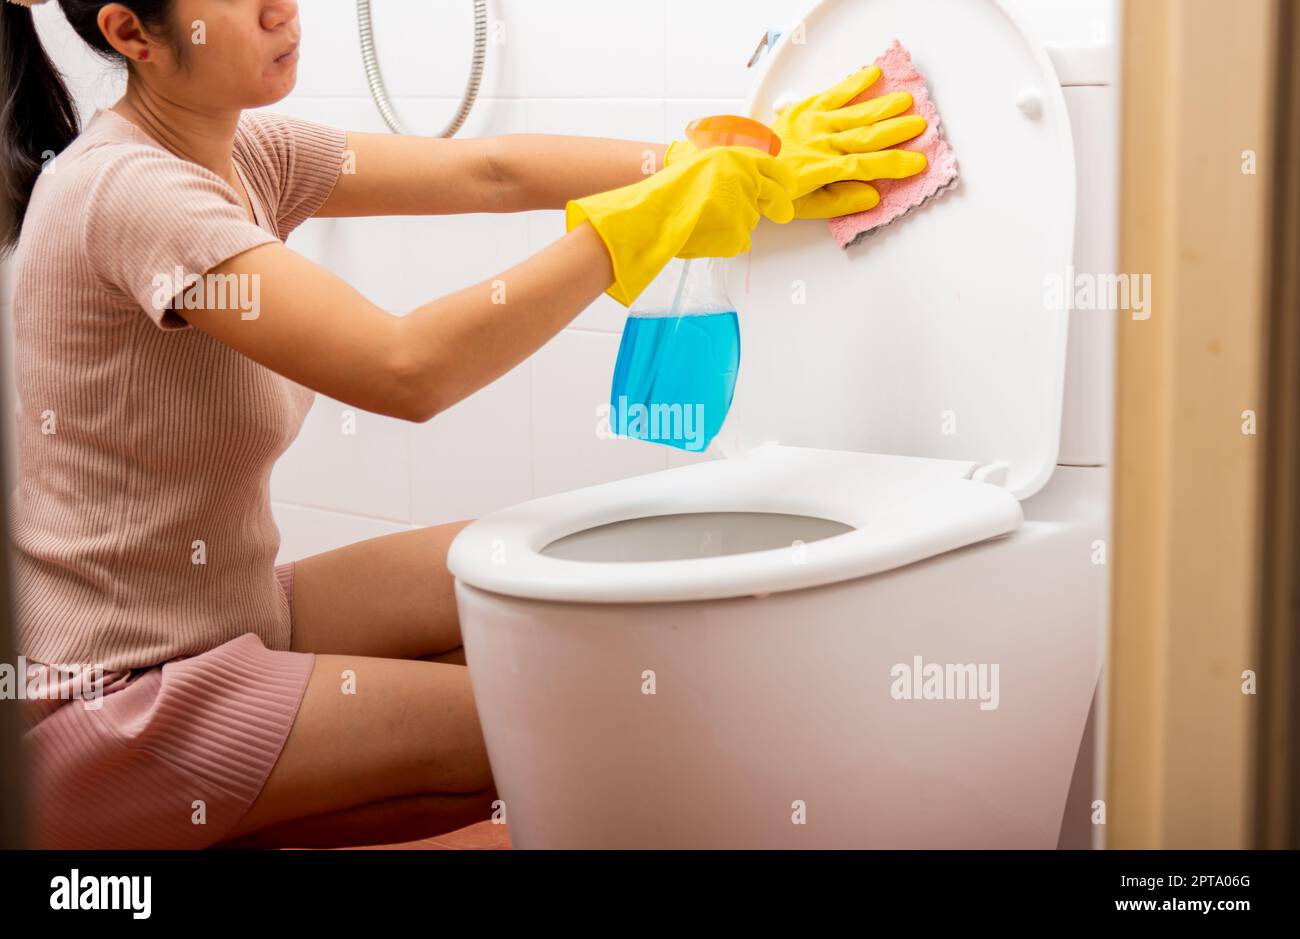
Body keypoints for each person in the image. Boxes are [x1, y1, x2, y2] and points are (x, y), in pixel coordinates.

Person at [0, 0, 928, 849]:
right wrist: (631, 233)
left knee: (549, 588)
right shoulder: (132, 194)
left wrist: (725, 161)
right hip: (125, 693)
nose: (283, 9)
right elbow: (406, 367)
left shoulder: (243, 152)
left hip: (231, 611)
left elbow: (490, 170)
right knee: (595, 736)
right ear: (132, 34)